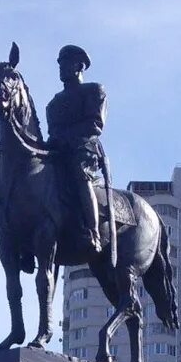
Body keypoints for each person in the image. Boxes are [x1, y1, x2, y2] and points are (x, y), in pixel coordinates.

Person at [45, 44, 107, 254]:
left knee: (81, 176)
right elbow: (52, 132)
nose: (61, 68)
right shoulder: (53, 103)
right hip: (59, 152)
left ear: (79, 66)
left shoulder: (93, 91)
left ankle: (93, 232)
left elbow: (95, 124)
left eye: (66, 63)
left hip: (84, 148)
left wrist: (65, 137)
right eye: (60, 65)